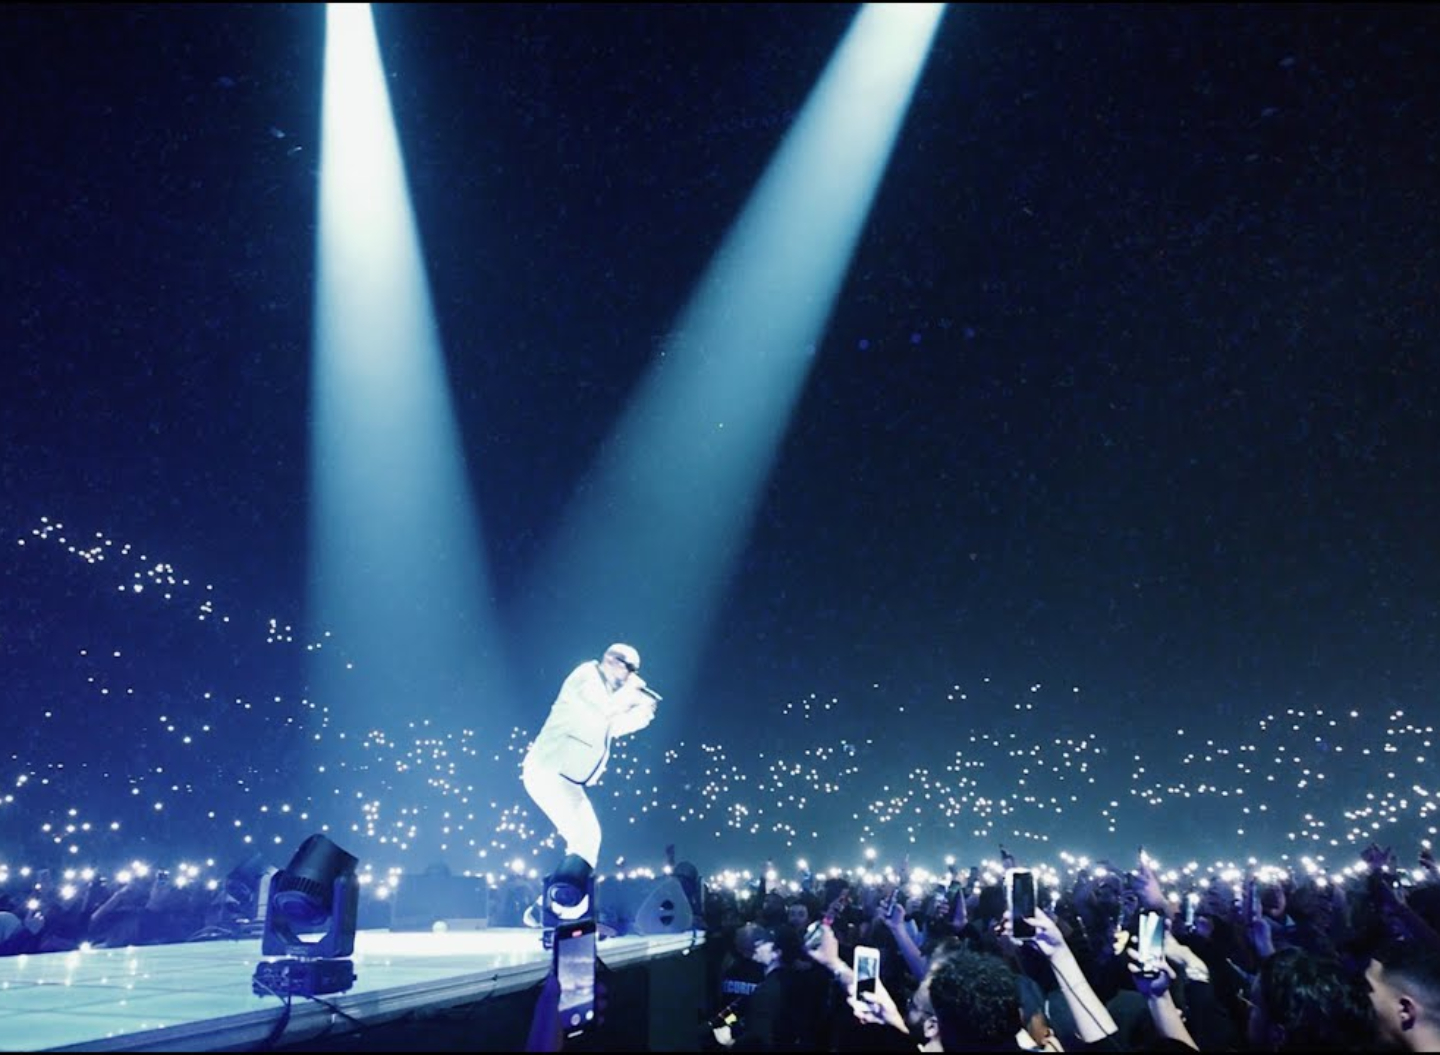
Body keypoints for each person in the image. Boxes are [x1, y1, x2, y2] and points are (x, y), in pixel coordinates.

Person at [522, 642, 657, 925]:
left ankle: (547, 907)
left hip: (565, 778)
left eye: (634, 670)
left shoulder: (608, 696)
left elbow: (613, 727)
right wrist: (630, 695)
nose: (629, 674)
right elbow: (602, 710)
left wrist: (643, 713)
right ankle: (558, 900)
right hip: (550, 770)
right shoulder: (586, 675)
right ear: (610, 660)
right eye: (628, 667)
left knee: (587, 837)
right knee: (585, 836)